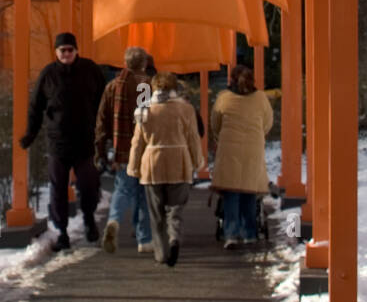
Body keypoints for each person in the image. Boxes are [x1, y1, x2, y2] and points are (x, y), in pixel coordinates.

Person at [19, 31, 106, 252]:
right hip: (58, 142)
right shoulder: (48, 74)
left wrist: (105, 133)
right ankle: (62, 232)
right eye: (62, 50)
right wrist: (30, 134)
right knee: (57, 187)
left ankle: (88, 218)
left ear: (76, 50)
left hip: (86, 140)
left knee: (89, 184)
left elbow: (104, 103)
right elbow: (35, 107)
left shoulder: (90, 70)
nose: (66, 53)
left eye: (70, 49)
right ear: (56, 52)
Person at [127, 71, 202, 267]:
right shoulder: (185, 109)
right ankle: (174, 238)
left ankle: (161, 253)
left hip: (152, 165)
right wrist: (197, 161)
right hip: (179, 162)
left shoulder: (145, 110)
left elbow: (137, 143)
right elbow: (193, 138)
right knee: (175, 209)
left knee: (156, 213)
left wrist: (134, 167)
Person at [94, 46, 153, 254]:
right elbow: (147, 119)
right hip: (144, 149)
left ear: (125, 63)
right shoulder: (146, 86)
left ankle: (113, 222)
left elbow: (101, 121)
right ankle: (145, 238)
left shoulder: (113, 87)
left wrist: (100, 151)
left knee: (123, 189)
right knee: (144, 193)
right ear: (144, 64)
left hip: (122, 150)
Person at [211, 63, 273, 249]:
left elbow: (216, 123)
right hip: (253, 148)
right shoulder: (261, 98)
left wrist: (220, 138)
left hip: (229, 148)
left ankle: (231, 233)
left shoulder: (224, 98)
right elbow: (268, 122)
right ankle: (249, 233)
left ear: (231, 80)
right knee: (249, 190)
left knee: (231, 191)